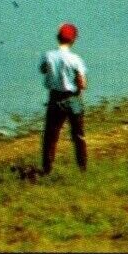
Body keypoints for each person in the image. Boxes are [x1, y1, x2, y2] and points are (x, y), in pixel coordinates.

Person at [39, 22, 87, 174]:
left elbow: (43, 70)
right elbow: (82, 82)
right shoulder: (76, 59)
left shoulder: (48, 56)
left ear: (57, 37)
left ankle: (47, 169)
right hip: (73, 98)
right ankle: (82, 168)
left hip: (55, 97)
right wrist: (79, 89)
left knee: (51, 135)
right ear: (73, 40)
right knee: (78, 135)